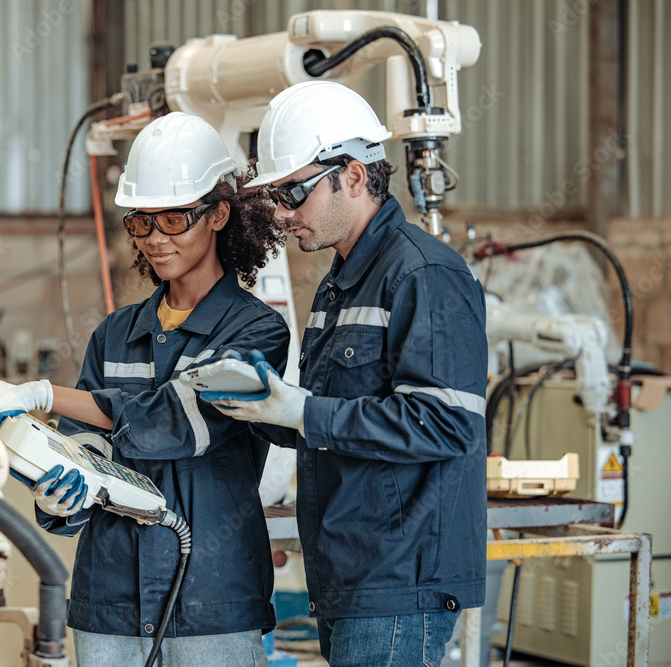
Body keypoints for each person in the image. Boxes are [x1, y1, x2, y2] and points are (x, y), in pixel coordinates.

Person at [0, 111, 290, 666]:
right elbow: (85, 448)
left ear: (218, 214)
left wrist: (46, 394)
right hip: (109, 602)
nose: (155, 239)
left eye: (173, 219)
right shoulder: (116, 332)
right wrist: (61, 492)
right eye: (141, 222)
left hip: (212, 601)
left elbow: (180, 416)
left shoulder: (258, 330)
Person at [204, 81, 489, 667]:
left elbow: (446, 424)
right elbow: (335, 422)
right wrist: (264, 408)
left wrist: (302, 411)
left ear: (354, 176)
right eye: (275, 197)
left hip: (399, 580)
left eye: (294, 193)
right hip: (350, 573)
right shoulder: (340, 281)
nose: (281, 216)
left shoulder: (423, 274)